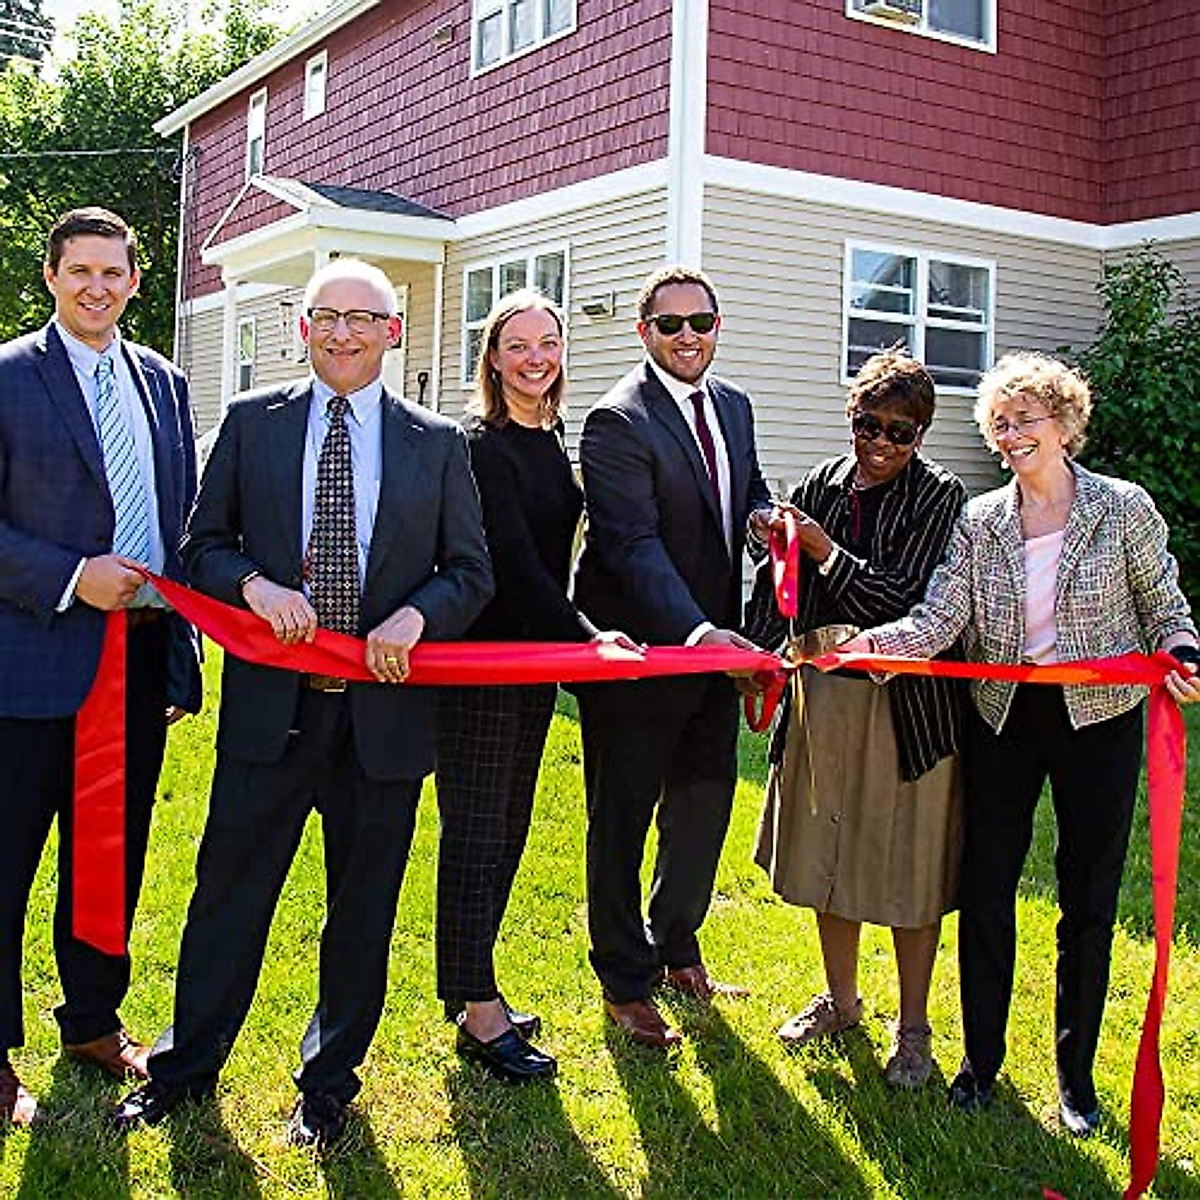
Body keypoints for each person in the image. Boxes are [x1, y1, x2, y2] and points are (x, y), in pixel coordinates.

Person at [111, 259, 493, 1146]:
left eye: (364, 320)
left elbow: (472, 572)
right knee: (227, 897)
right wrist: (251, 584)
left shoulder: (436, 442)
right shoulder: (253, 425)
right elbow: (199, 546)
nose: (344, 334)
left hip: (382, 722)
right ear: (302, 327)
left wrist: (416, 613)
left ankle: (327, 1087)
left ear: (392, 333)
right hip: (269, 715)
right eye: (327, 317)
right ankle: (184, 1069)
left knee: (361, 910)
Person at [846, 351, 1200, 1133]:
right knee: (987, 888)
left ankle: (1077, 1082)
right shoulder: (980, 520)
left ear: (1064, 425)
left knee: (1087, 897)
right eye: (1000, 424)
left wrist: (1182, 652)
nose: (1010, 436)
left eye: (1025, 421)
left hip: (1098, 719)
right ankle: (981, 1062)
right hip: (1002, 717)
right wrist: (874, 647)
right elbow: (940, 619)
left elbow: (1165, 606)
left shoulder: (1123, 508)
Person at [0, 208, 201, 1126]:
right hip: (31, 659)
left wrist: (182, 653)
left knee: (109, 856)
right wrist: (75, 577)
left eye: (113, 272)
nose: (96, 287)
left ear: (134, 280)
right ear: (50, 275)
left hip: (139, 656)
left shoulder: (162, 382)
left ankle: (91, 1018)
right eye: (79, 270)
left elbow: (182, 522)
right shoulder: (8, 378)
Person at [743, 349, 966, 1090]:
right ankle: (841, 1002)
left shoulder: (941, 497)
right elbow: (783, 592)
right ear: (851, 418)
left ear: (921, 436)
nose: (881, 443)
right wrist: (756, 653)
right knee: (827, 862)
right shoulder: (818, 487)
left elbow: (902, 600)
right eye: (869, 424)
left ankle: (914, 1030)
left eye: (900, 433)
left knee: (905, 870)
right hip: (822, 700)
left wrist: (824, 551)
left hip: (905, 708)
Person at [436, 290, 636, 1083]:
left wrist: (588, 630)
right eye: (516, 345)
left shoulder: (552, 440)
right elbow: (514, 566)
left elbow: (564, 562)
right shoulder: (479, 447)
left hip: (533, 665)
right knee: (477, 836)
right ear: (492, 357)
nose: (534, 358)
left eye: (547, 343)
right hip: (483, 665)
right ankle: (476, 1007)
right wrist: (588, 639)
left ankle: (477, 988)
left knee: (509, 831)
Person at [572, 266, 773, 1048]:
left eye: (702, 322)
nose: (688, 336)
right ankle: (624, 979)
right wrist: (696, 636)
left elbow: (746, 487)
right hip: (641, 652)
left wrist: (762, 519)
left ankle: (676, 946)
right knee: (620, 815)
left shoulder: (735, 405)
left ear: (718, 324)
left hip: (714, 650)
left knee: (702, 801)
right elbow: (631, 545)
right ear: (643, 331)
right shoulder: (616, 420)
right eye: (670, 325)